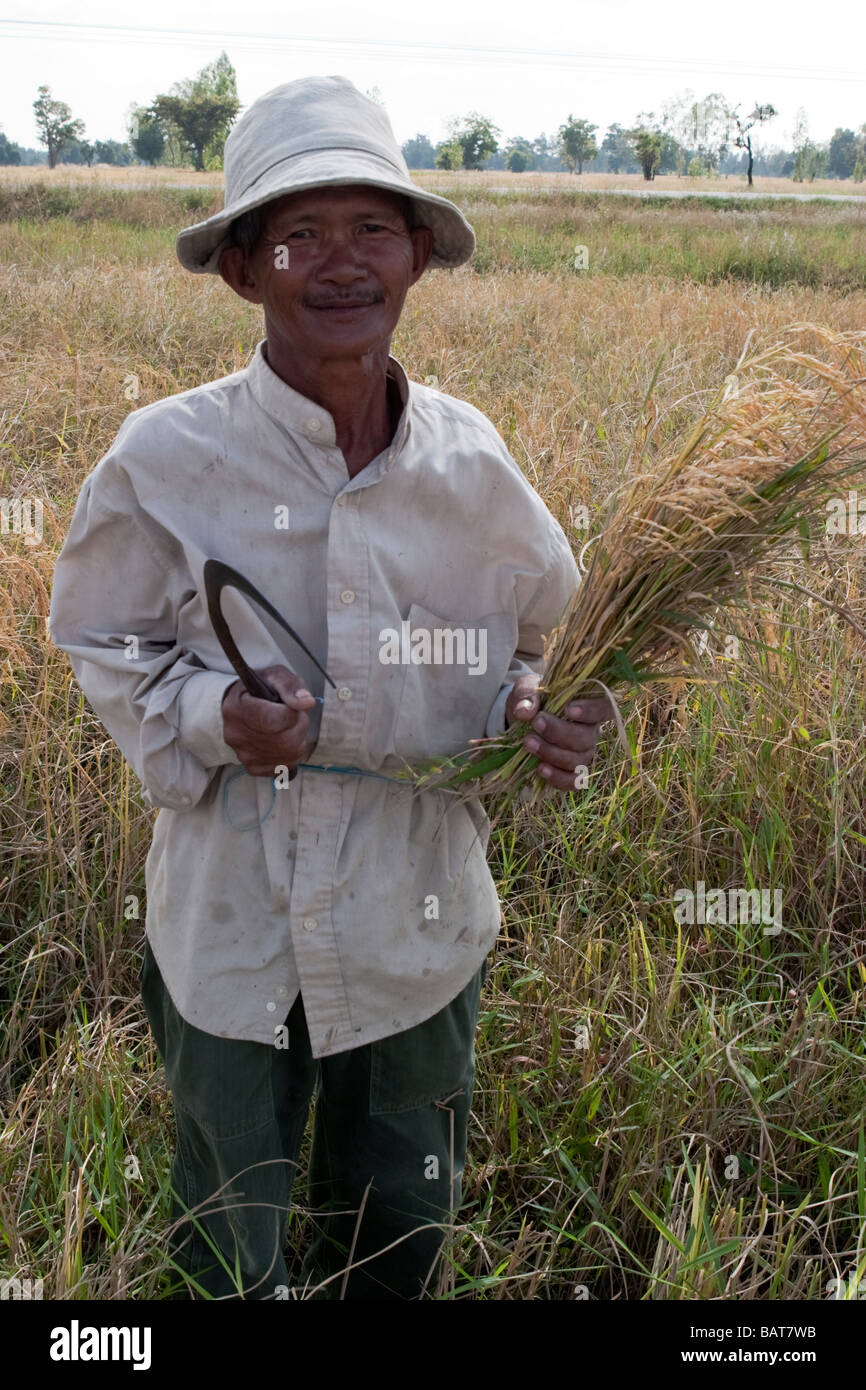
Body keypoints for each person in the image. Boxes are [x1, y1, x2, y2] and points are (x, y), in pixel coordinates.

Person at [48, 75, 613, 1300]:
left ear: (417, 254)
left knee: (401, 1225)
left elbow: (533, 649)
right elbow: (100, 640)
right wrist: (212, 717)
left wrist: (538, 718)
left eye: (371, 229)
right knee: (228, 1232)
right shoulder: (166, 458)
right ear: (244, 270)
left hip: (413, 919)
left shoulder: (473, 466)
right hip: (230, 922)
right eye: (299, 234)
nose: (339, 263)